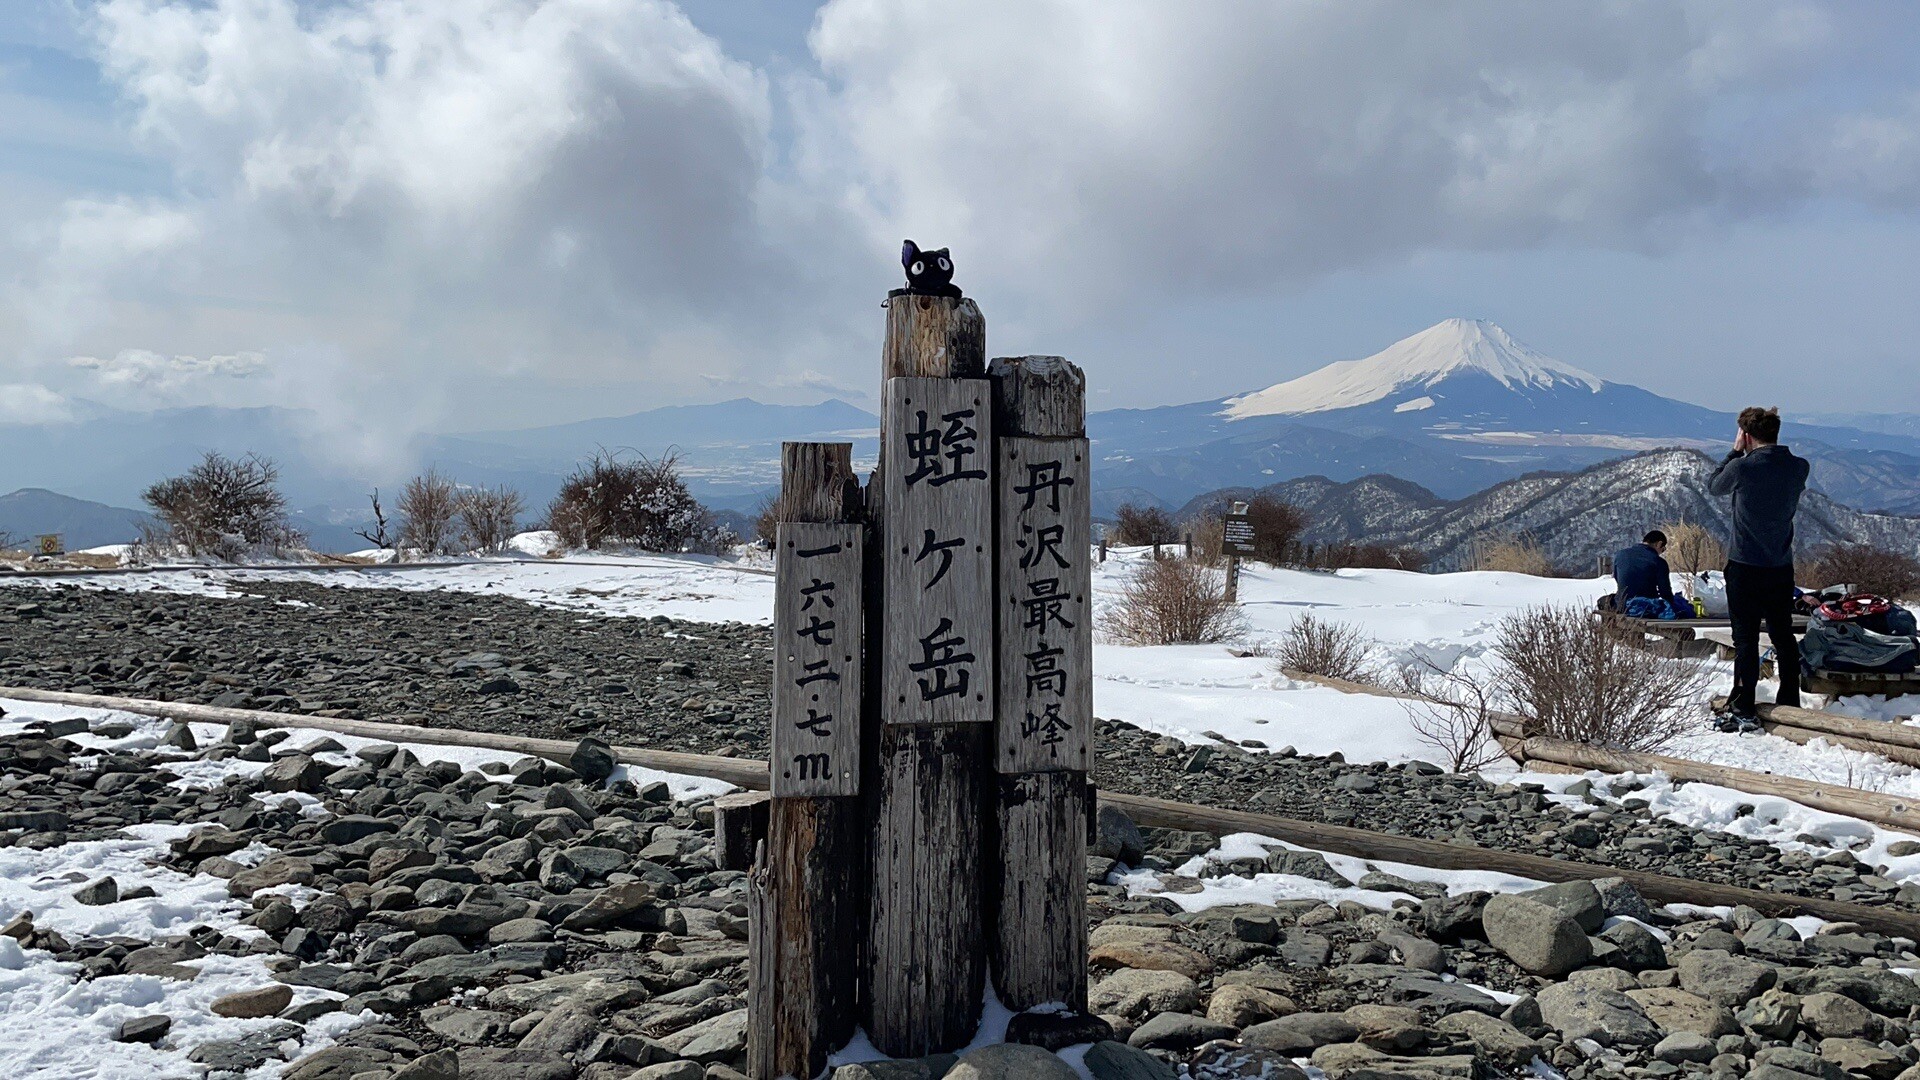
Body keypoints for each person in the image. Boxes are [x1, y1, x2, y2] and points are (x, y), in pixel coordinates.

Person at [1708, 406, 1810, 733]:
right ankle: (1790, 698)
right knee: (1782, 634)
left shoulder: (1743, 467)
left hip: (1745, 565)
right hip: (1781, 566)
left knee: (1746, 637)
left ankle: (1744, 702)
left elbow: (1714, 486)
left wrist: (1734, 451)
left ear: (1747, 435)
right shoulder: (1799, 467)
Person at [1612, 530, 1680, 617]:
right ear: (1659, 544)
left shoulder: (1620, 555)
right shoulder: (1658, 562)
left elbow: (1618, 578)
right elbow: (1665, 592)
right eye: (1663, 550)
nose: (1660, 553)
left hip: (1621, 605)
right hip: (1646, 608)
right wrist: (1672, 606)